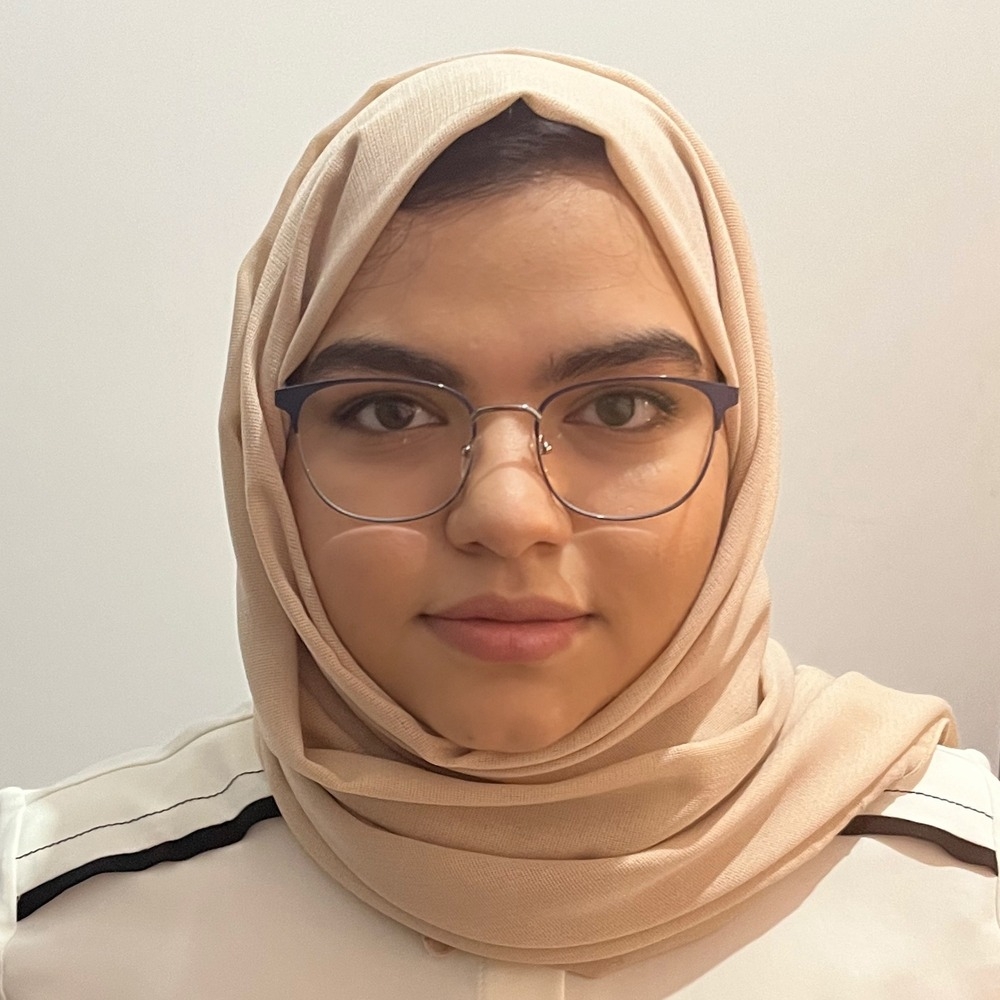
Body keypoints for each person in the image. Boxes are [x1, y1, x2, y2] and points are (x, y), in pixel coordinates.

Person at [1, 50, 997, 998]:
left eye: (620, 407)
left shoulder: (967, 909)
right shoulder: (50, 928)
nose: (509, 515)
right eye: (388, 411)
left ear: (742, 448)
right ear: (266, 459)